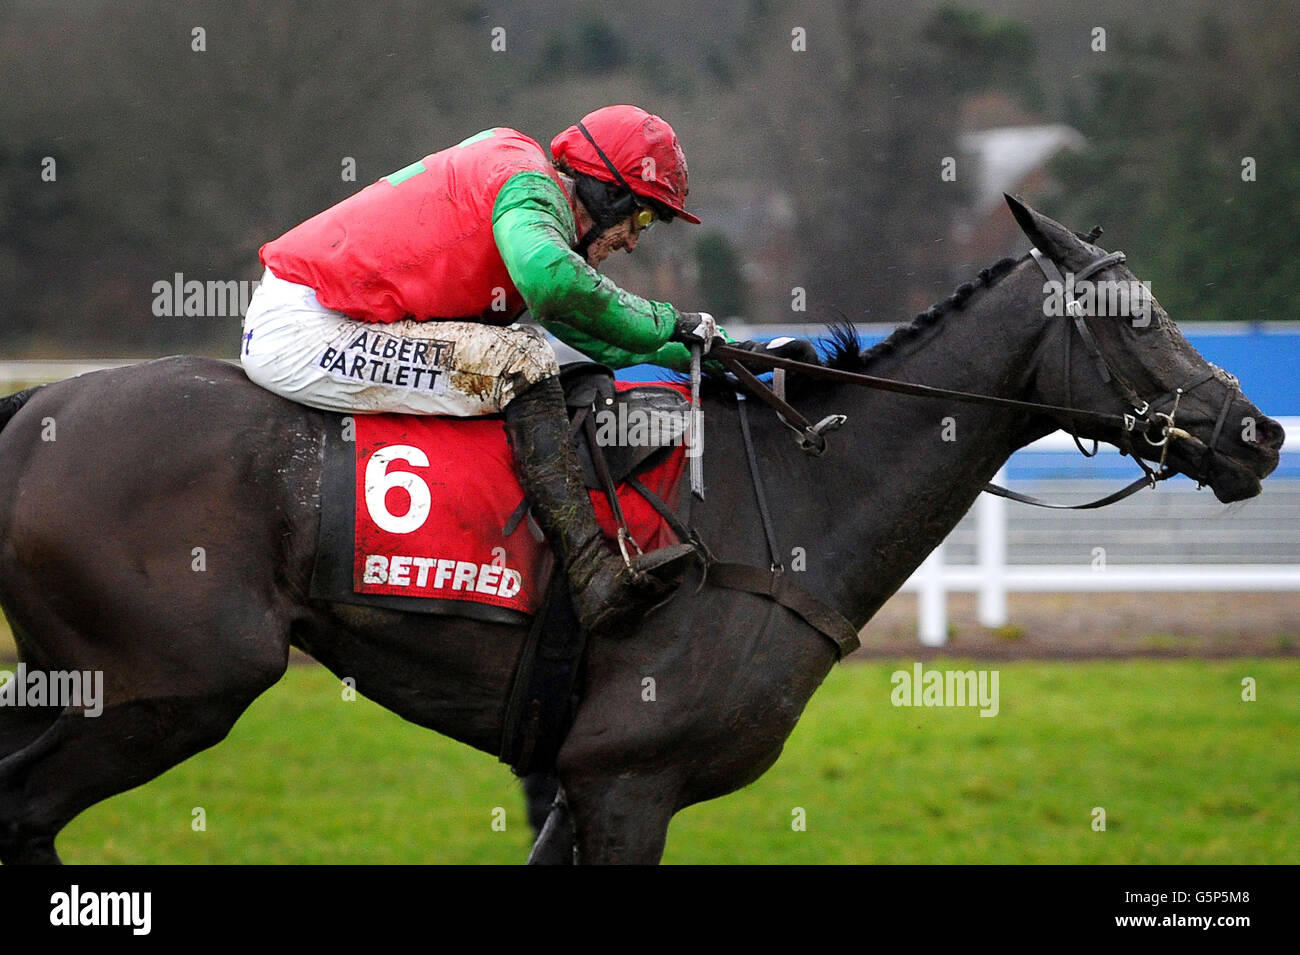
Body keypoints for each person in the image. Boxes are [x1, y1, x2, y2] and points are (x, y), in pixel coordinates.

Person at [240, 104, 809, 634]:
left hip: (325, 316)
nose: (635, 241)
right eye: (640, 216)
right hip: (307, 328)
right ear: (602, 189)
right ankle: (590, 571)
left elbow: (589, 332)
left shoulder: (526, 185)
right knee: (519, 359)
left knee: (521, 348)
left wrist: (722, 357)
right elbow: (553, 284)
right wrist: (666, 319)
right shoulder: (529, 186)